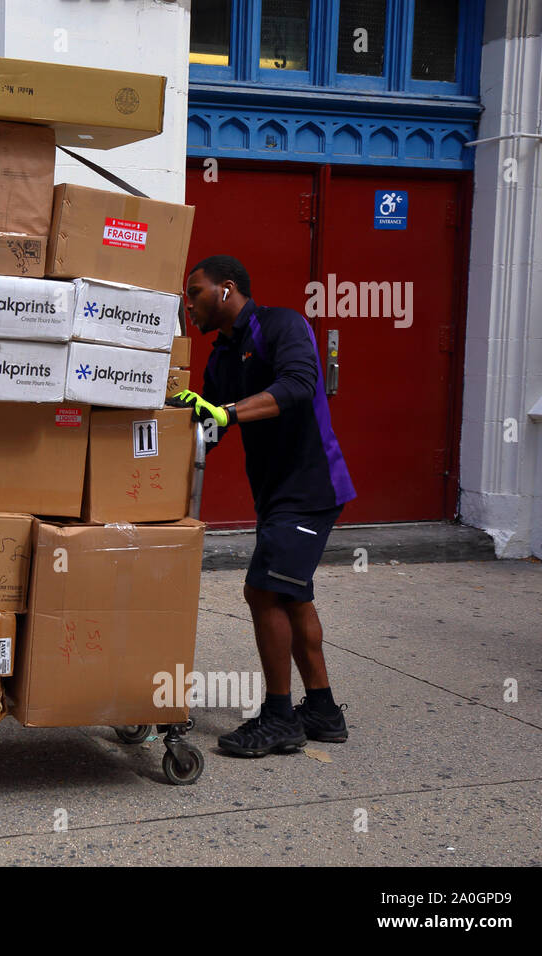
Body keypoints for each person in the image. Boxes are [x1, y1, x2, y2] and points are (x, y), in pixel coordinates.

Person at [172, 255, 356, 757]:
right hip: (275, 494)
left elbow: (298, 386)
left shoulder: (283, 325)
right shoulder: (222, 357)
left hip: (310, 487)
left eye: (196, 292)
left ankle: (279, 718)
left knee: (263, 592)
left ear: (227, 289)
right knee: (292, 595)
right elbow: (209, 429)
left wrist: (228, 412)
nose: (190, 304)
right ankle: (321, 710)